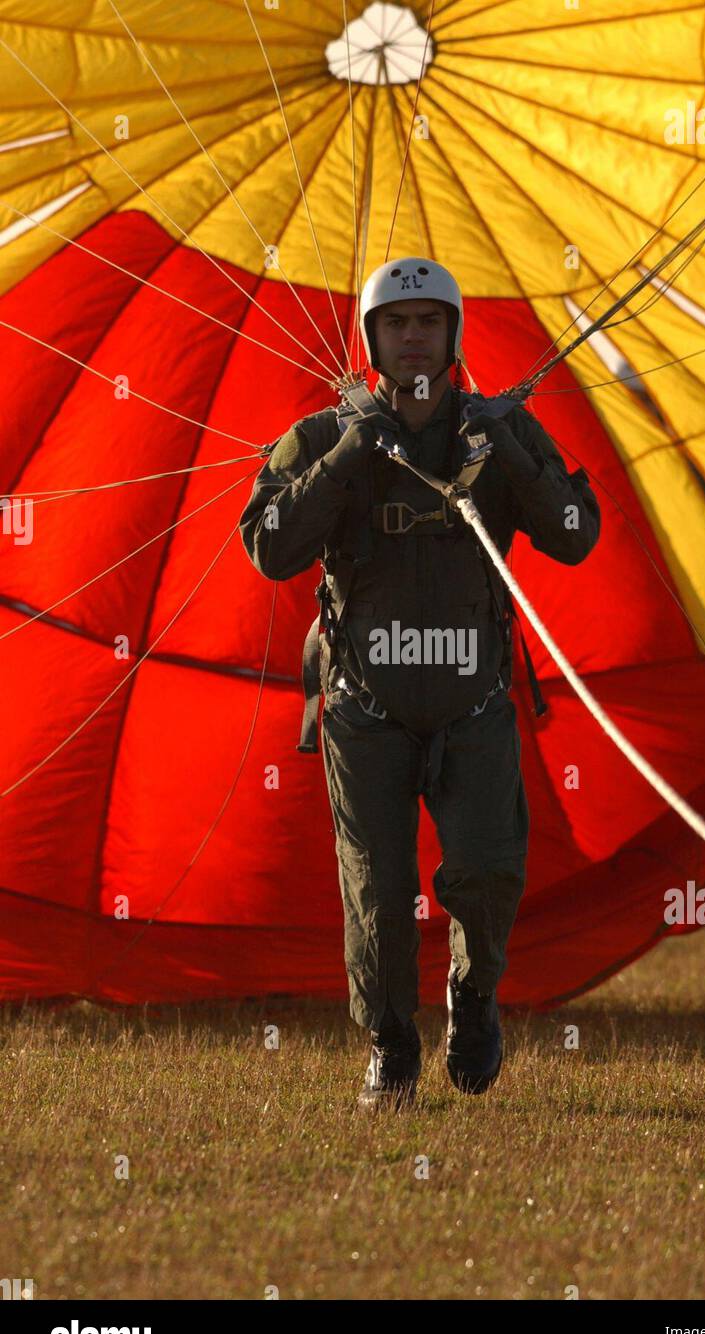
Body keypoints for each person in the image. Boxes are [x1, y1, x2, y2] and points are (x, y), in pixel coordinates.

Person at [239, 257, 601, 1110]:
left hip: (472, 702)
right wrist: (351, 453)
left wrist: (507, 442)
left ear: (452, 336)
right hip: (367, 709)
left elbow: (576, 535)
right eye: (397, 325)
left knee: (485, 872)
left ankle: (473, 1006)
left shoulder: (496, 430)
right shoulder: (324, 437)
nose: (413, 339)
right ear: (372, 339)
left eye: (428, 324)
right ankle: (391, 1048)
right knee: (379, 889)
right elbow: (270, 547)